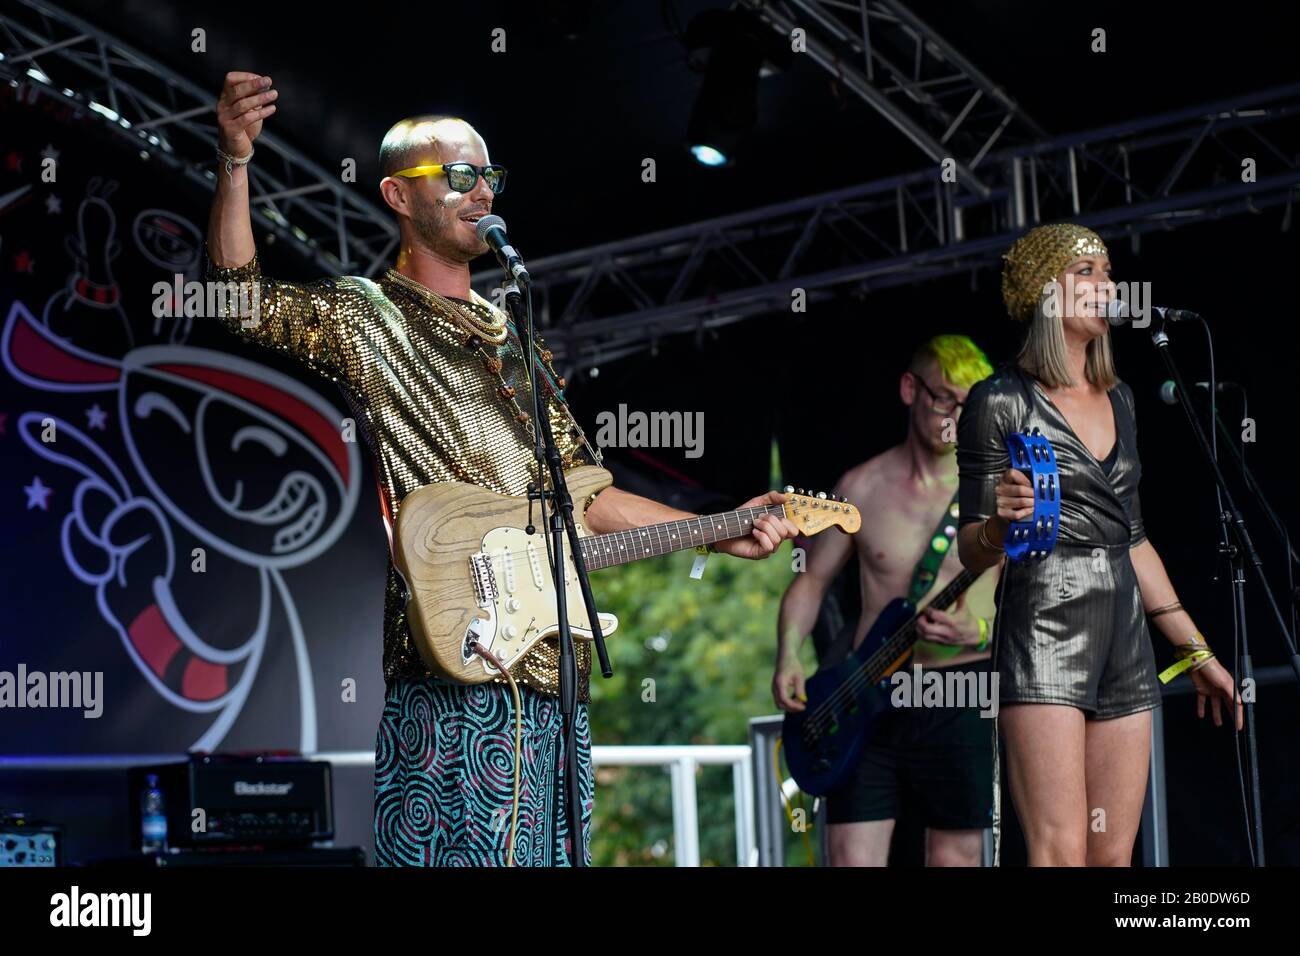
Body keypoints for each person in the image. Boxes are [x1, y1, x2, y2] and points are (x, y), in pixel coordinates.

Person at [205, 72, 799, 866]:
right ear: (395, 194)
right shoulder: (364, 315)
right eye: (457, 175)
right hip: (453, 661)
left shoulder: (516, 338)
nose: (480, 190)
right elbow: (240, 301)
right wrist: (236, 162)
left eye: (488, 175)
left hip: (554, 679)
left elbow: (589, 499)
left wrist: (718, 532)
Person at [955, 222, 1242, 867]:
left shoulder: (1123, 400)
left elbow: (1134, 538)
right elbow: (972, 548)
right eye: (1085, 271)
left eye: (1108, 272)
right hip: (1043, 621)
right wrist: (1001, 526)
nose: (1106, 285)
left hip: (1127, 634)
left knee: (1113, 856)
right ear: (1043, 292)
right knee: (1060, 853)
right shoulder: (998, 400)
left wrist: (1194, 651)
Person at [774, 335, 1000, 866]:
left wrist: (983, 631)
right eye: (944, 397)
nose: (955, 415)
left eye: (969, 403)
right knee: (851, 857)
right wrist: (787, 652)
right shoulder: (861, 486)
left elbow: (1036, 598)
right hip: (864, 692)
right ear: (909, 389)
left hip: (961, 694)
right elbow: (811, 581)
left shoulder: (996, 491)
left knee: (956, 859)